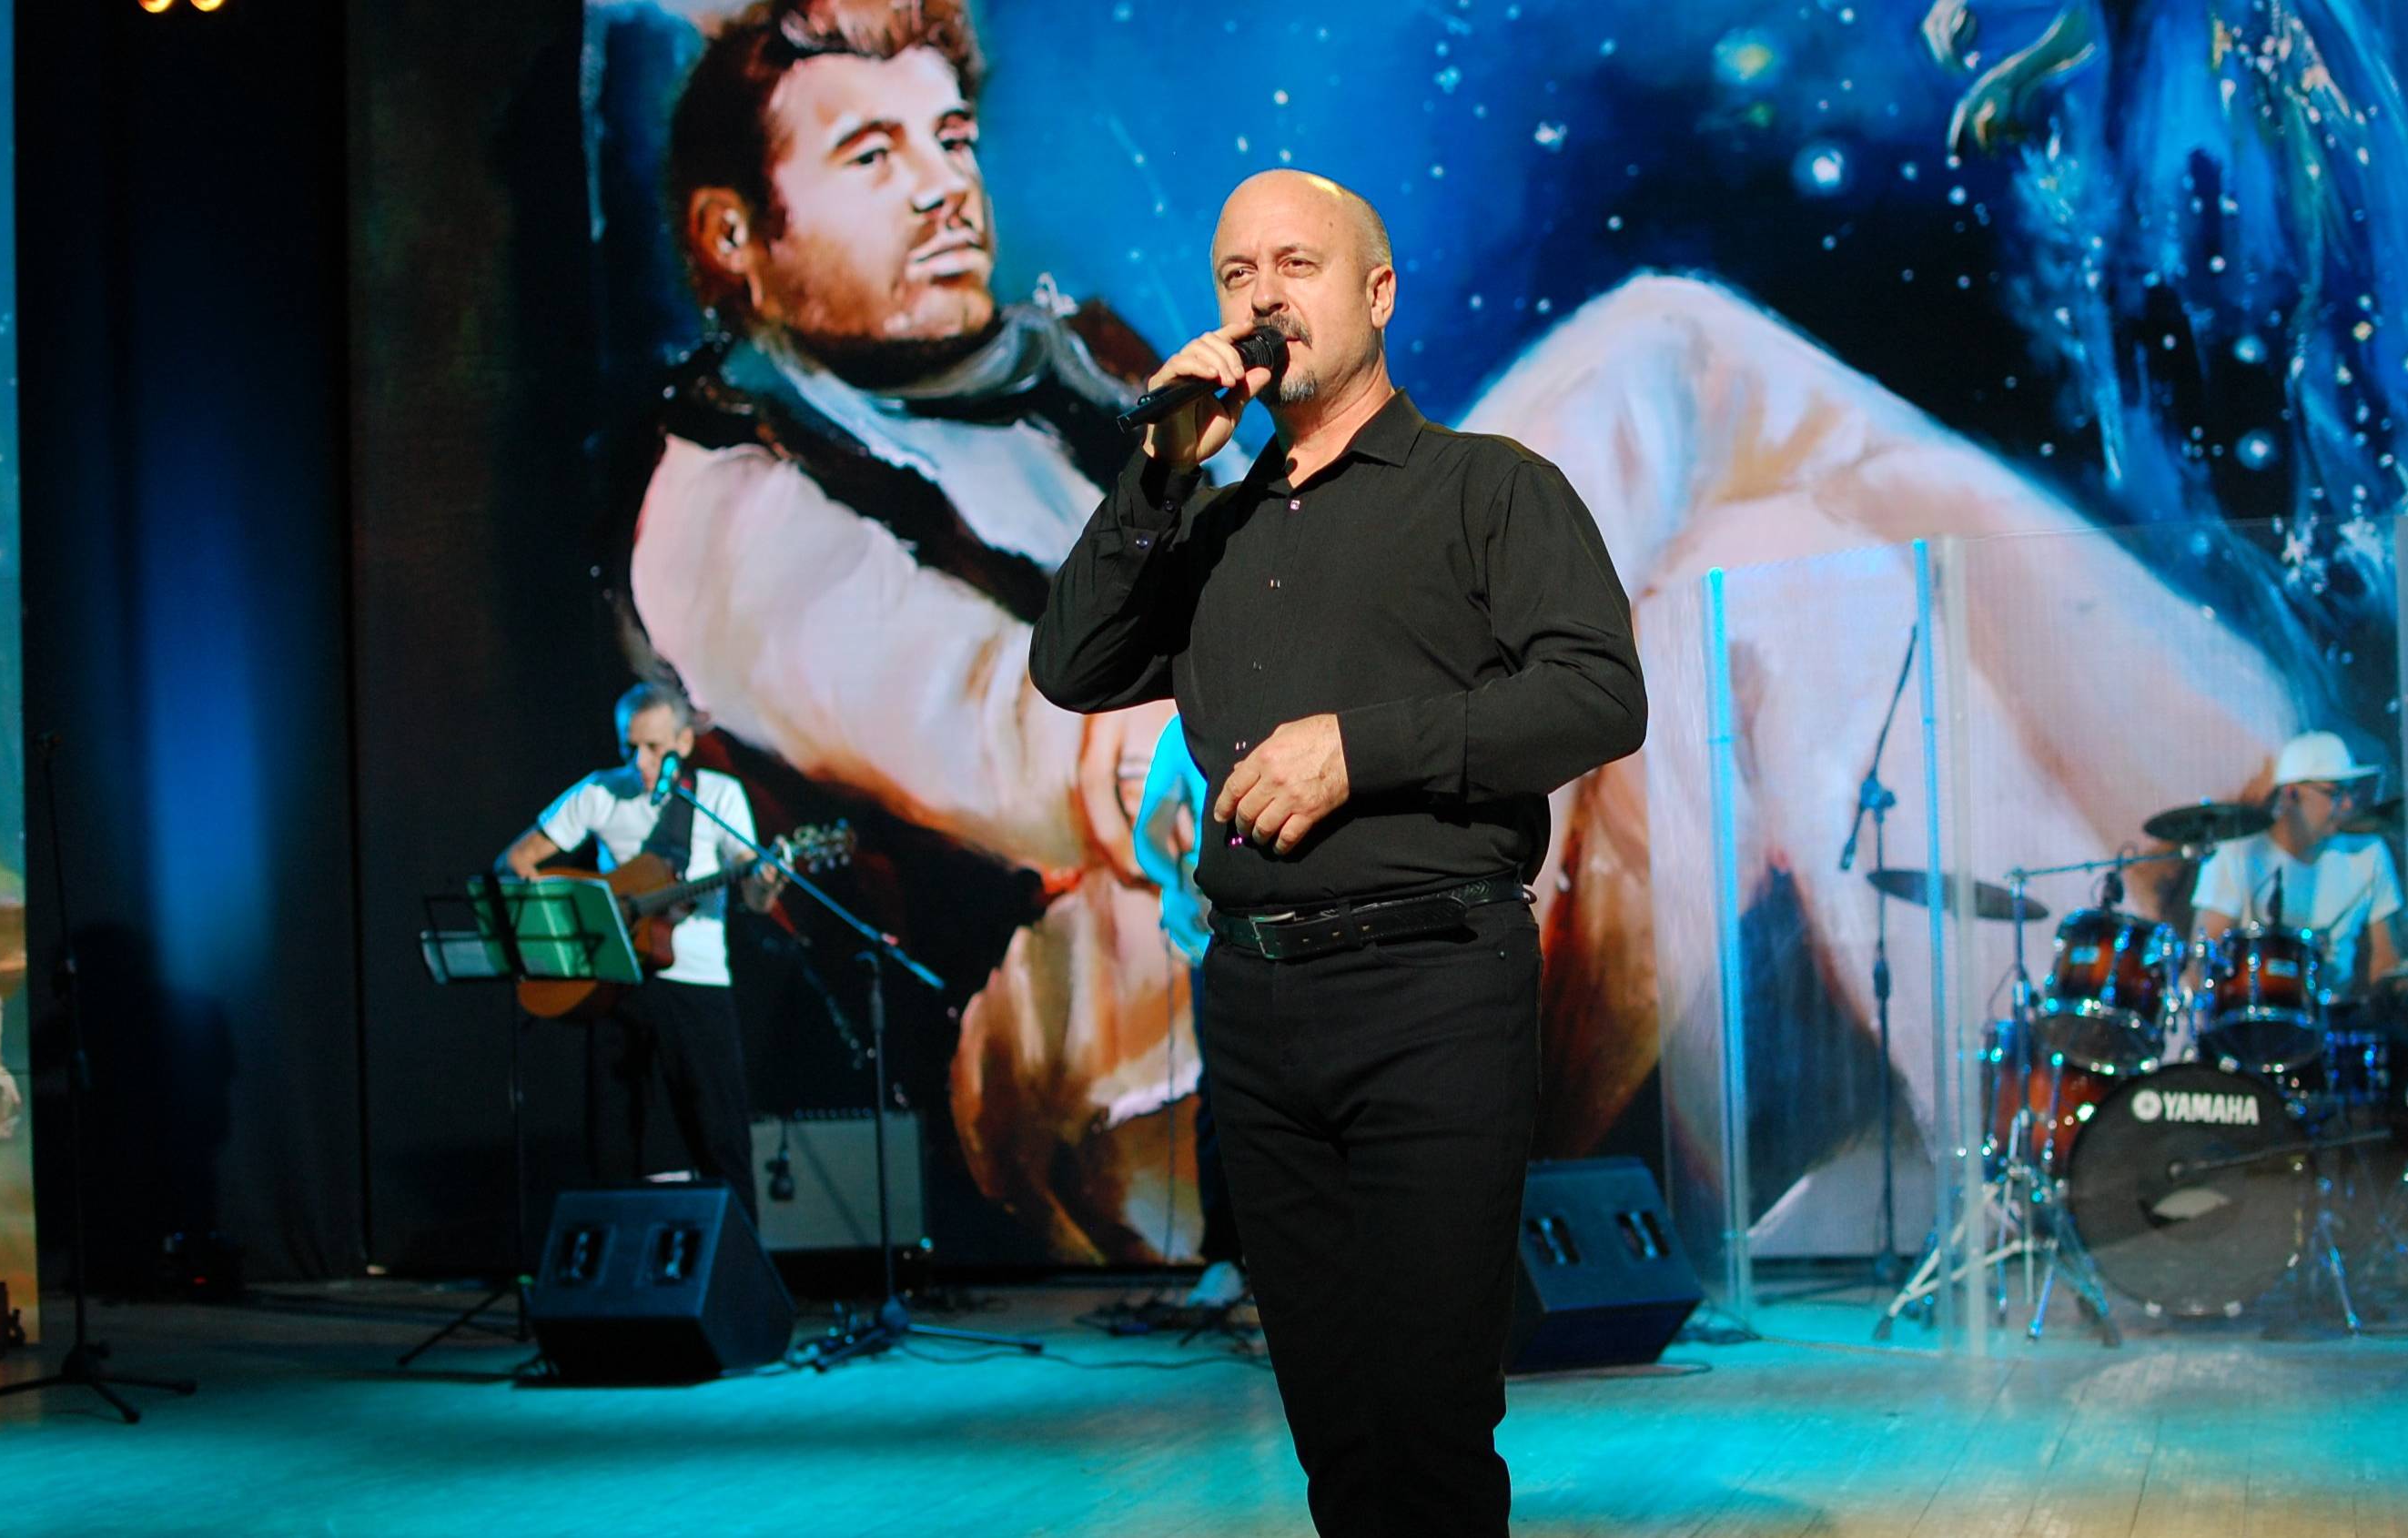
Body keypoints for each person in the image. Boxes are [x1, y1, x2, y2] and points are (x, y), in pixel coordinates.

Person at [1032, 168, 1647, 1537]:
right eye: (1235, 274)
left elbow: (1599, 696)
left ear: (1376, 294)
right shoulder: (1208, 525)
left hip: (1432, 984)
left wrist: (1357, 750)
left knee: (1428, 1419)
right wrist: (1159, 471)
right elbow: (1071, 662)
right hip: (1257, 1004)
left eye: (1295, 265)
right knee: (1335, 1428)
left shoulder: (1490, 488)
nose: (1262, 298)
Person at [624, 0, 1209, 1260]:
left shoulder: (1077, 385)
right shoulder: (729, 499)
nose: (946, 190)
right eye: (873, 156)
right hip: (1044, 1012)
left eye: (951, 141)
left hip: (1233, 911)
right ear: (734, 235)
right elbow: (997, 731)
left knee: (1649, 377)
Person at [499, 683, 785, 1215]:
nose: (641, 763)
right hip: (615, 983)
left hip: (696, 984)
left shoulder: (718, 796)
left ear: (684, 742)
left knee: (718, 1134)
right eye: (629, 747)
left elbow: (755, 896)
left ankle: (737, 1254)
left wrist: (766, 882)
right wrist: (563, 918)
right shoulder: (600, 792)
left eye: (654, 748)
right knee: (613, 1142)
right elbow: (516, 862)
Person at [1129, 715, 1242, 1308]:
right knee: (1220, 1091)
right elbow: (1149, 831)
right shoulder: (1185, 729)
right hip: (1221, 937)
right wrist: (1177, 881)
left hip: (1305, 926)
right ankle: (1224, 1256)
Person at [2191, 729, 2403, 999]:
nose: (2348, 805)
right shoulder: (2236, 852)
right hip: (2250, 1008)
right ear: (2290, 794)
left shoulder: (2369, 852)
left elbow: (2386, 960)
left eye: (2351, 792)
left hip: (2333, 1015)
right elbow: (2204, 960)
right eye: (2334, 793)